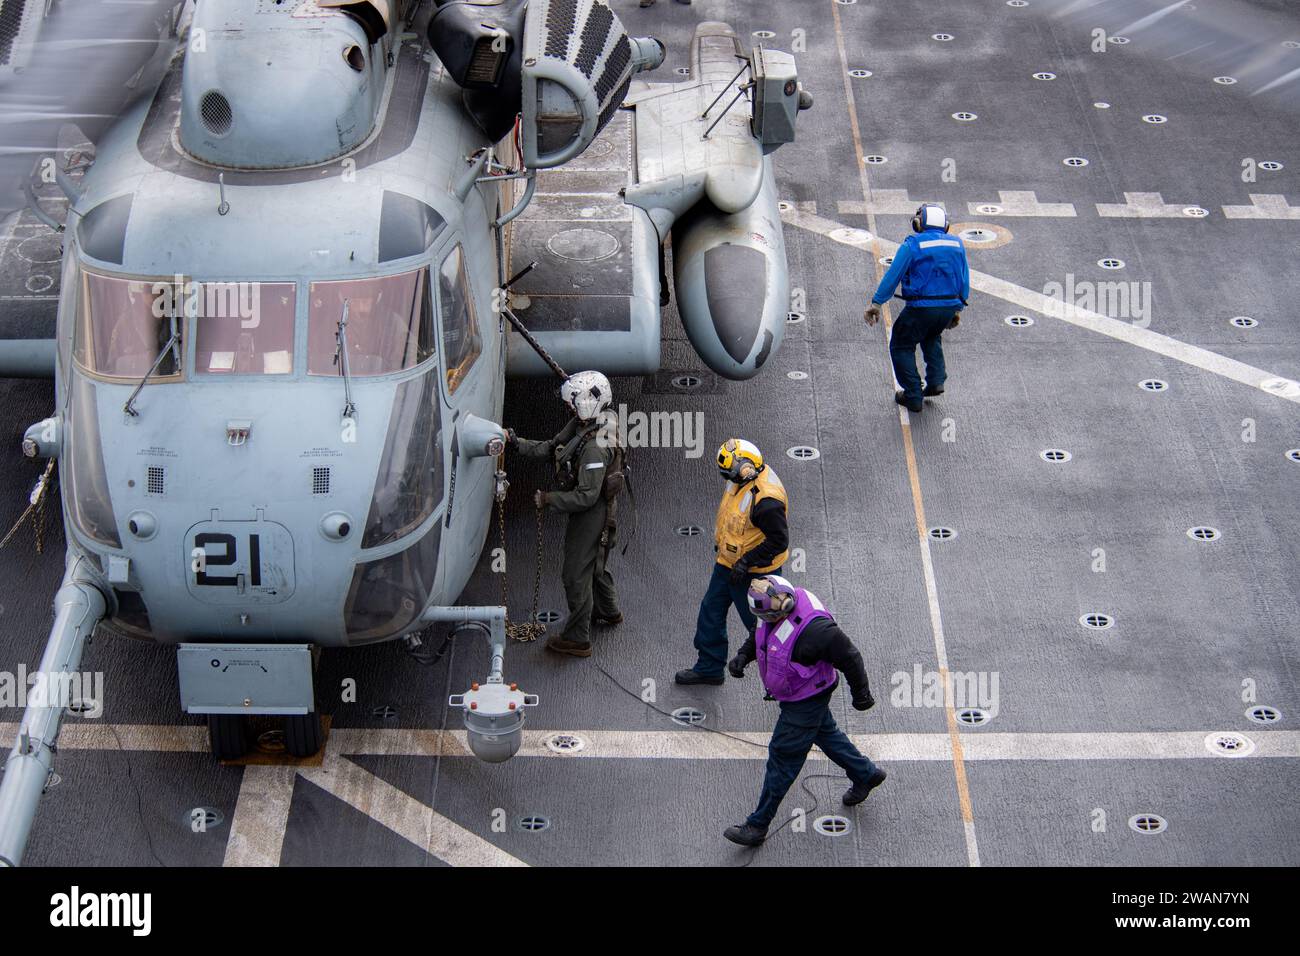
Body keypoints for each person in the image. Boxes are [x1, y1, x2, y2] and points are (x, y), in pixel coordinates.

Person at [723, 576, 886, 847]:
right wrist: (744, 655)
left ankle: (757, 825)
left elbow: (851, 658)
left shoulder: (818, 631)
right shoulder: (771, 609)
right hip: (797, 693)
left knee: (782, 758)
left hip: (806, 698)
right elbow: (761, 631)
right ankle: (865, 773)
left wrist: (862, 696)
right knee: (825, 734)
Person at [508, 371, 625, 658]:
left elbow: (586, 496)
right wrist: (515, 442)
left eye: (573, 404)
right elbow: (552, 448)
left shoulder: (595, 448)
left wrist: (548, 499)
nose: (569, 408)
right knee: (596, 566)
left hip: (592, 515)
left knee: (575, 575)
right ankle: (608, 611)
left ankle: (576, 639)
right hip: (600, 510)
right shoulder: (588, 424)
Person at [675, 439, 788, 686]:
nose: (728, 478)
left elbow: (779, 541)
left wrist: (745, 562)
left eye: (731, 473)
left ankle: (787, 675)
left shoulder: (767, 501)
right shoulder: (741, 480)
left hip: (754, 573)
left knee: (762, 627)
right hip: (728, 563)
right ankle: (709, 667)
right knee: (710, 612)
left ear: (746, 468)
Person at [865, 203, 970, 413]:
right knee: (931, 336)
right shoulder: (957, 244)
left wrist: (876, 303)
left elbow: (893, 276)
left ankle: (913, 394)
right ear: (946, 226)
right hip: (948, 306)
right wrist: (957, 308)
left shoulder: (913, 244)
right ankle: (936, 381)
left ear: (918, 223)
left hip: (921, 308)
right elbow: (964, 278)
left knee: (901, 344)